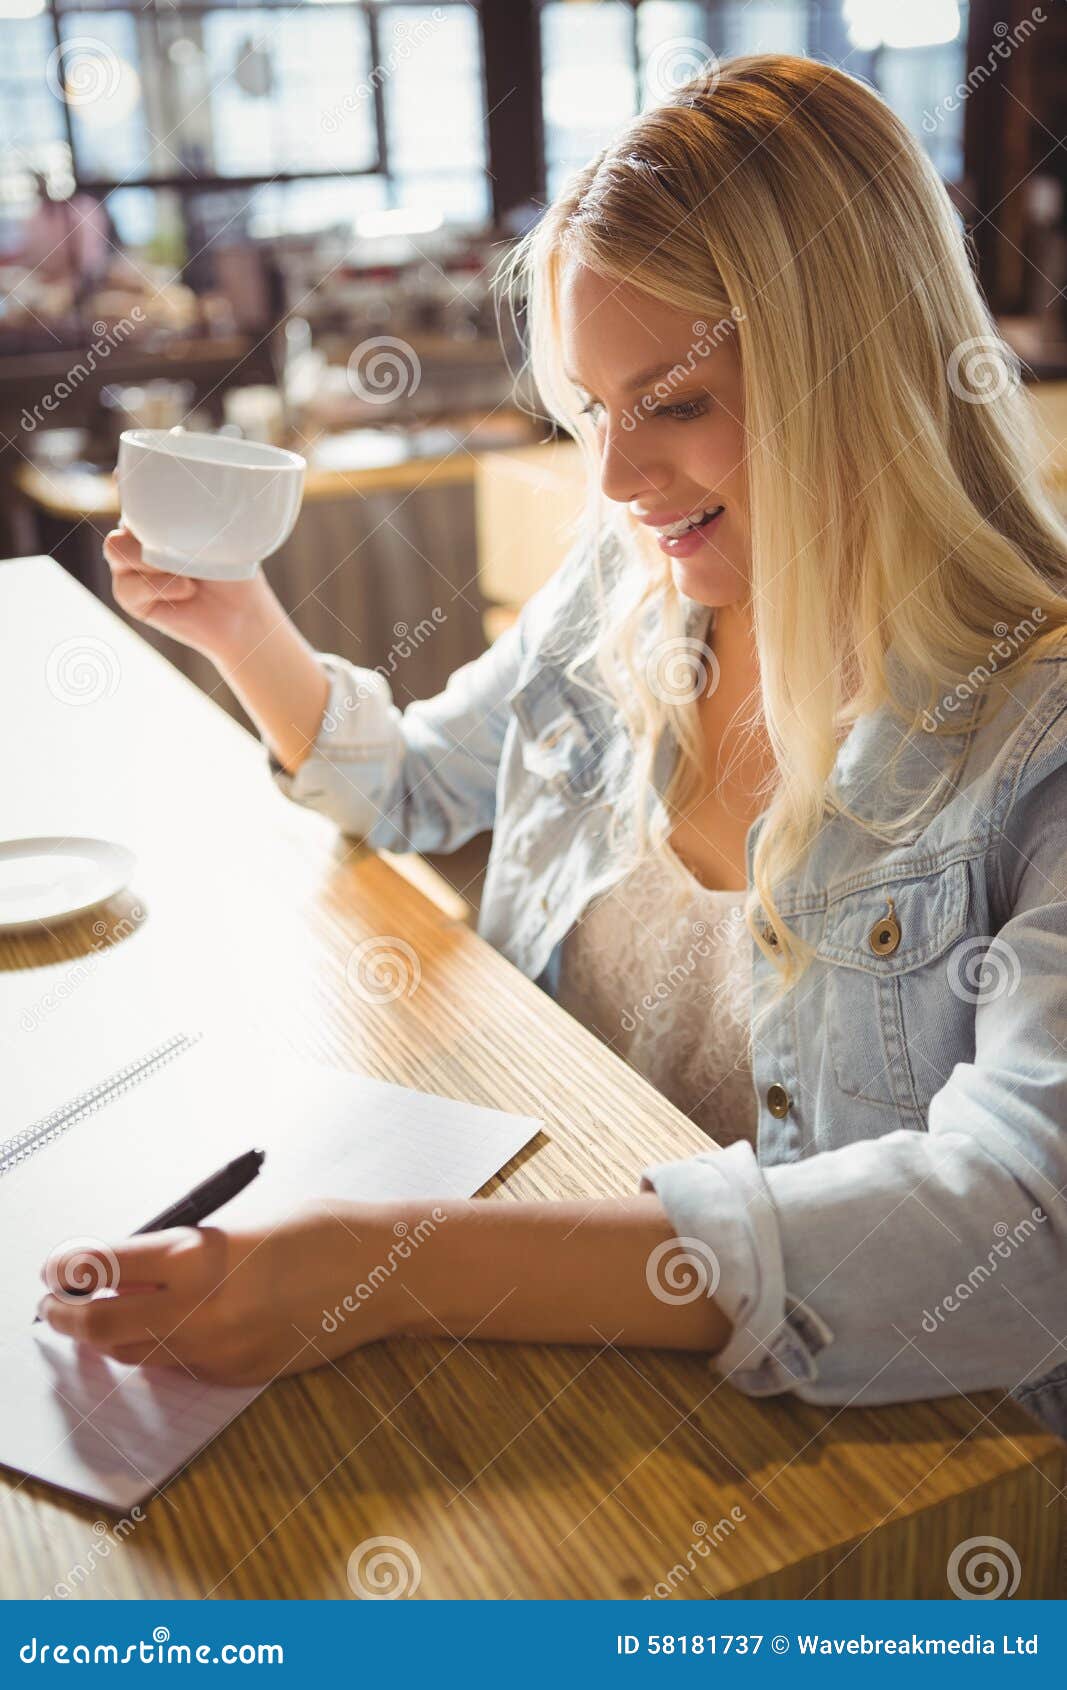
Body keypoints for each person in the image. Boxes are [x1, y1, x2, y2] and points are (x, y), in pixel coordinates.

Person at [49, 57, 1067, 1440]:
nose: (615, 480)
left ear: (859, 364)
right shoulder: (635, 580)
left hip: (862, 1475)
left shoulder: (1035, 731)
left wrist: (386, 1269)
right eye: (593, 411)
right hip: (557, 1365)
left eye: (677, 402)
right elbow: (411, 786)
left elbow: (1026, 1227)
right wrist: (237, 624)